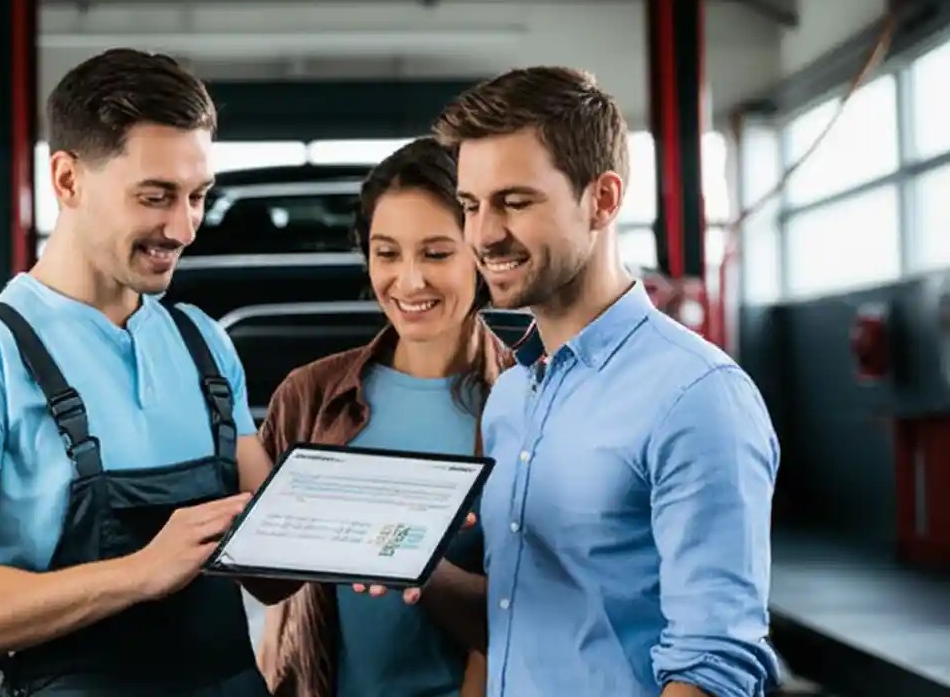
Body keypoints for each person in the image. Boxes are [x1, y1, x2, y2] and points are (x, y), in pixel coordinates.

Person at [0, 48, 292, 696]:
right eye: (156, 197)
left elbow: (275, 564)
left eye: (198, 197)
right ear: (68, 180)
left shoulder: (203, 344)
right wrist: (140, 572)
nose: (184, 227)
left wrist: (381, 538)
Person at [432, 67, 782, 696]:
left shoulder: (696, 397)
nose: (482, 235)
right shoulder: (513, 396)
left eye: (515, 202)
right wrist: (407, 566)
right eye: (470, 205)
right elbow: (520, 617)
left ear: (603, 199)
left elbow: (713, 669)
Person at [255, 137, 511, 697]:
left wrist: (413, 561)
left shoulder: (523, 404)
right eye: (387, 252)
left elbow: (537, 613)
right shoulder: (312, 395)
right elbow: (273, 589)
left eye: (437, 253)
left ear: (480, 254)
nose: (409, 281)